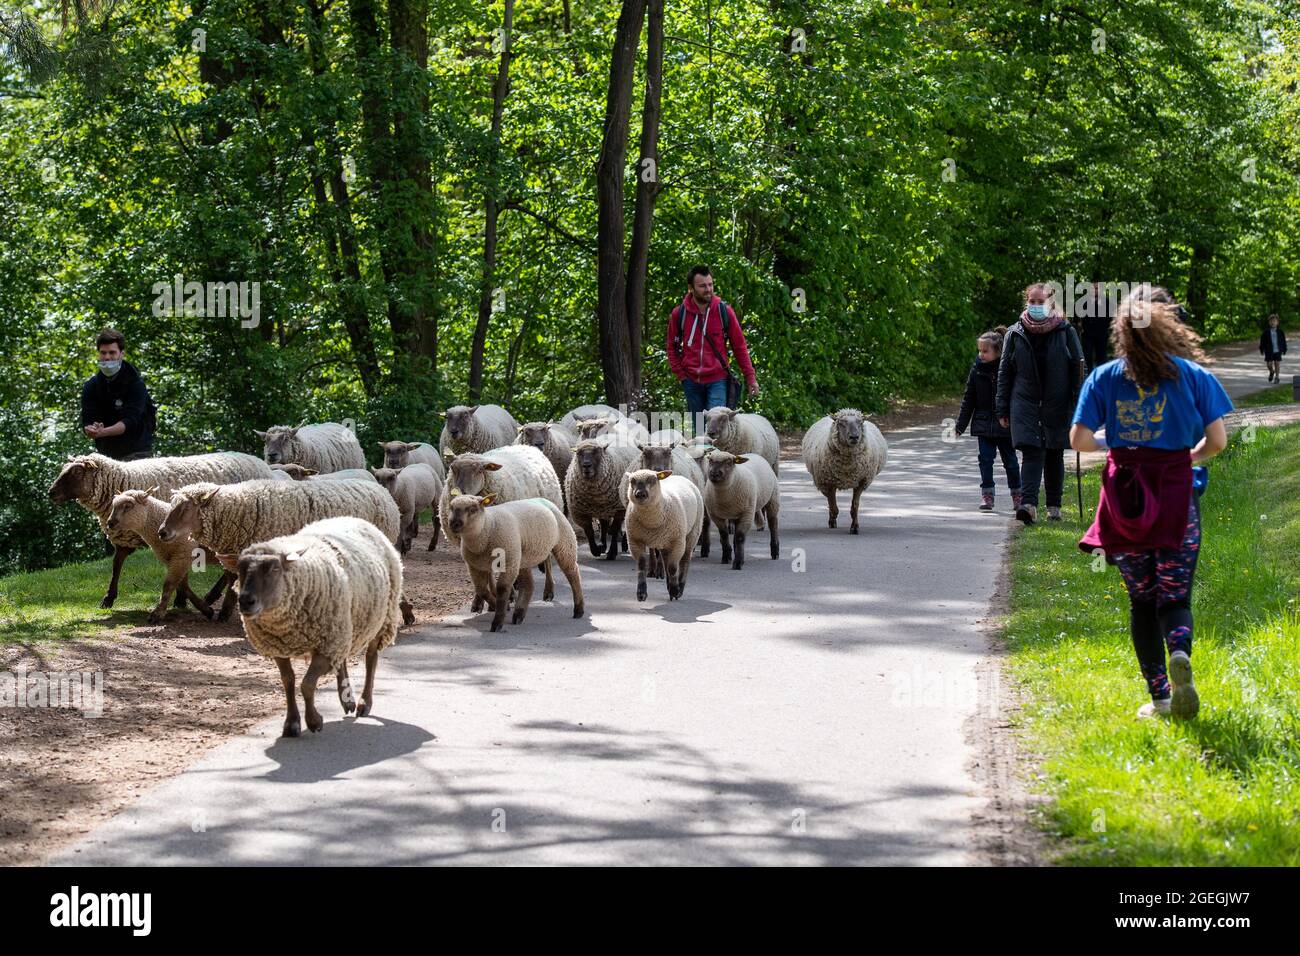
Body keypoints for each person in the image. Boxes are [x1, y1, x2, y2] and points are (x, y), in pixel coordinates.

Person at [1071, 290, 1232, 720]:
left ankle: (1160, 697)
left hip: (1123, 499)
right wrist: (1186, 456)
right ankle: (1180, 649)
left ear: (1121, 331)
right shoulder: (1193, 375)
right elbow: (1217, 441)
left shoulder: (1104, 377)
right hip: (1178, 496)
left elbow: (1080, 441)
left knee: (1141, 602)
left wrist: (1115, 442)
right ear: (1167, 325)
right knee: (1175, 597)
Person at [996, 283, 1085, 524]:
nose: (1036, 306)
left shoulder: (1066, 332)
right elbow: (1004, 371)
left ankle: (1054, 506)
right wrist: (1002, 407)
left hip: (1058, 400)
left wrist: (1080, 406)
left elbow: (1078, 370)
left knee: (1054, 450)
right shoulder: (1015, 333)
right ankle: (1028, 504)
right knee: (1032, 450)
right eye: (1032, 302)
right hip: (1024, 400)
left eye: (1041, 302)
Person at [667, 266, 759, 431]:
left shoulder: (724, 311)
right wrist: (681, 375)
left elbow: (739, 347)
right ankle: (705, 456)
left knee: (716, 428)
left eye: (710, 284)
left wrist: (750, 377)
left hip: (718, 379)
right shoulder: (678, 314)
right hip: (691, 380)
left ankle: (719, 456)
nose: (708, 289)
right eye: (702, 286)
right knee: (701, 431)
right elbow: (672, 348)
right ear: (691, 288)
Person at [955, 326, 1021, 512]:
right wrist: (960, 425)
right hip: (983, 424)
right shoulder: (976, 370)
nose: (981, 354)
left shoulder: (1008, 370)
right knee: (985, 459)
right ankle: (987, 495)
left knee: (1011, 461)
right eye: (979, 350)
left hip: (1005, 424)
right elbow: (969, 399)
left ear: (998, 351)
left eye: (985, 351)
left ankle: (1017, 494)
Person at [81, 327, 156, 460]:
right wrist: (92, 429)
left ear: (121, 354)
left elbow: (129, 421)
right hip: (107, 455)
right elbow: (88, 420)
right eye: (103, 353)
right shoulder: (91, 386)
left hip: (137, 453)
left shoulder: (136, 384)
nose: (107, 357)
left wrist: (103, 432)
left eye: (112, 353)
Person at [1079, 280, 1110, 372]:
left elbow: (1111, 317)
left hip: (1102, 334)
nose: (1095, 290)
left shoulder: (1107, 302)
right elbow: (1078, 317)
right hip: (1088, 335)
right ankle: (1087, 377)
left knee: (1102, 357)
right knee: (1087, 356)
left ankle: (1102, 376)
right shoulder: (1083, 302)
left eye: (1097, 288)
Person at [1259, 313, 1287, 383]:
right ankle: (1271, 372)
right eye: (1271, 321)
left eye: (1274, 321)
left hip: (1278, 350)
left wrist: (1284, 349)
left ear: (1277, 322)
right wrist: (1262, 349)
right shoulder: (1266, 332)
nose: (1273, 322)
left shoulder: (1280, 332)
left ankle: (1277, 377)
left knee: (1277, 363)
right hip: (1269, 351)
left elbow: (1283, 341)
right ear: (1269, 322)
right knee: (1269, 364)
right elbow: (1262, 341)